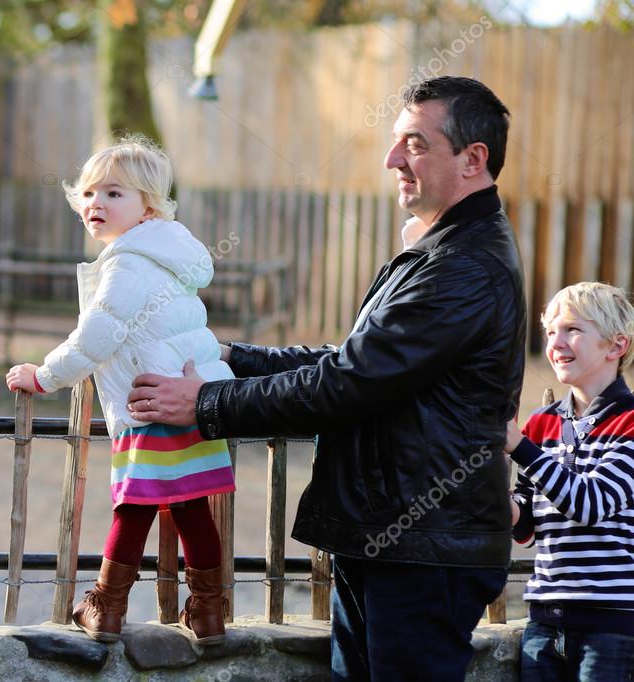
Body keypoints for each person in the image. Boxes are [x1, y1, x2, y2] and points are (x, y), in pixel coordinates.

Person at [126, 76, 524, 680]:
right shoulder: (444, 250)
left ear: (474, 159)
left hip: (424, 549)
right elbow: (355, 360)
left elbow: (350, 383)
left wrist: (207, 403)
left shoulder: (465, 267)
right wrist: (237, 357)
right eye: (396, 142)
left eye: (414, 144)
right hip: (392, 541)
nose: (393, 159)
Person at [4, 135, 236, 645]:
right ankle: (208, 614)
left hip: (149, 401)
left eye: (113, 194)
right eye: (89, 194)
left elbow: (98, 334)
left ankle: (106, 608)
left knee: (133, 508)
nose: (96, 204)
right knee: (192, 508)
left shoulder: (128, 260)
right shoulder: (164, 254)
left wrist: (43, 375)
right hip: (191, 398)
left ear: (147, 205)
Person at [506, 282, 634, 682]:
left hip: (611, 625)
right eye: (549, 332)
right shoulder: (540, 425)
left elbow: (591, 504)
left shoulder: (629, 423)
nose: (556, 342)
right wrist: (485, 487)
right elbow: (526, 527)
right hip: (542, 621)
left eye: (572, 330)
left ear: (616, 346)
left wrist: (519, 448)